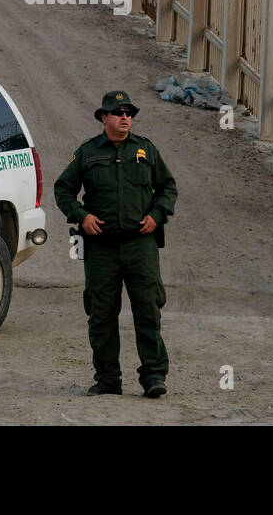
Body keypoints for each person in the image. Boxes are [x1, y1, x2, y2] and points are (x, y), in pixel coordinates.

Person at [54, 90, 178, 398]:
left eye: (129, 113)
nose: (125, 117)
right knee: (101, 313)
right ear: (103, 117)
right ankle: (108, 378)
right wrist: (81, 216)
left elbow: (168, 187)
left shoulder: (146, 150)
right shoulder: (87, 152)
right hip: (101, 248)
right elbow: (63, 189)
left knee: (148, 309)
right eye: (118, 112)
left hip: (140, 245)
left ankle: (153, 376)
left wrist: (156, 214)